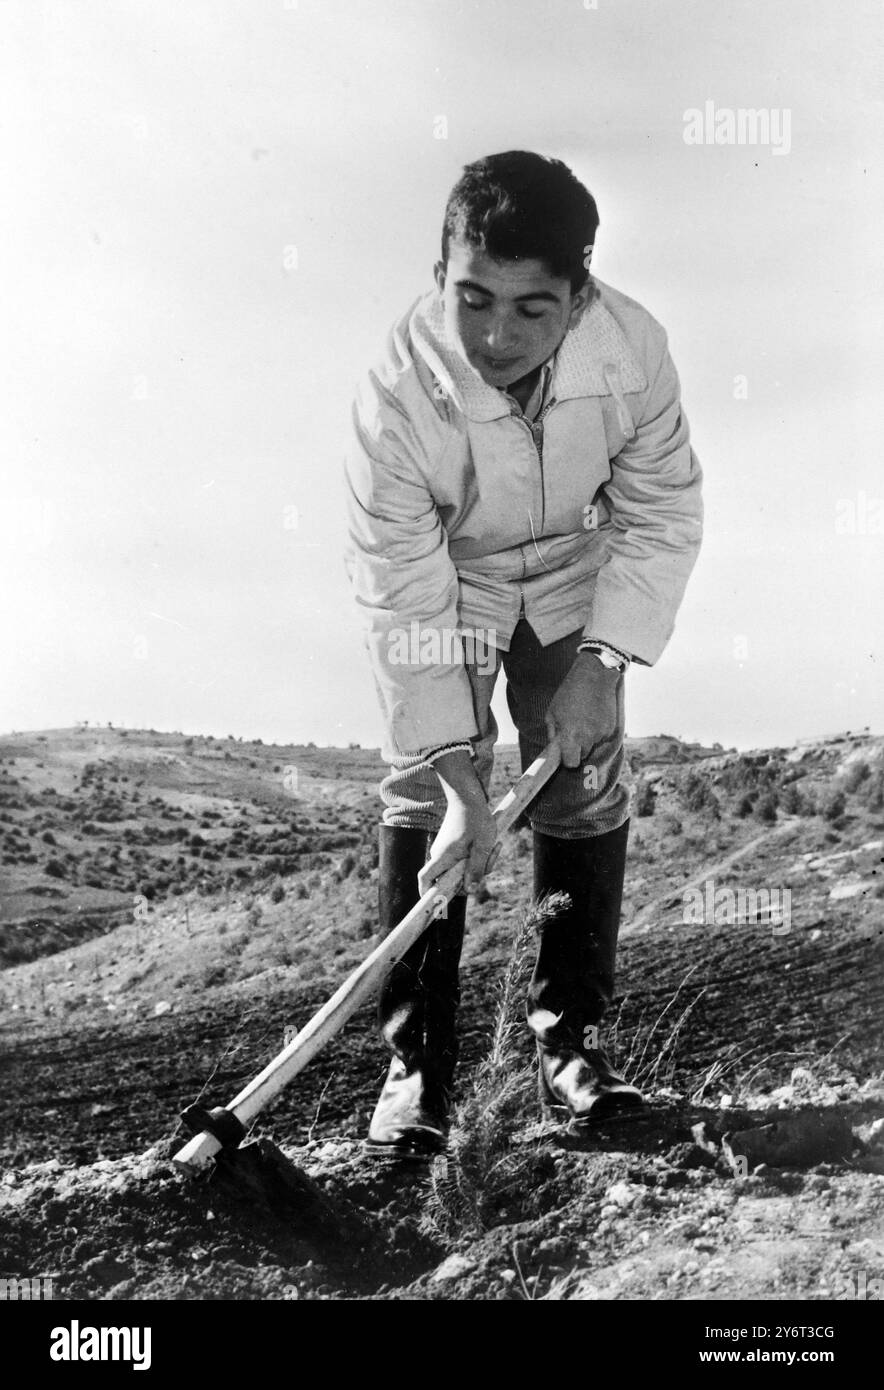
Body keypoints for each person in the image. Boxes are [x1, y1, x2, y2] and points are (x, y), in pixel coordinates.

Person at [344, 151, 703, 1158]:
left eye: (531, 309)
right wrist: (457, 777)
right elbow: (397, 591)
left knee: (585, 780)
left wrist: (603, 661)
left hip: (569, 573)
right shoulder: (393, 397)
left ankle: (571, 1049)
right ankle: (415, 1070)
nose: (496, 336)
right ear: (439, 274)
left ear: (577, 294)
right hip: (446, 583)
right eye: (472, 300)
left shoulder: (632, 349)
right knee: (423, 800)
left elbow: (661, 508)